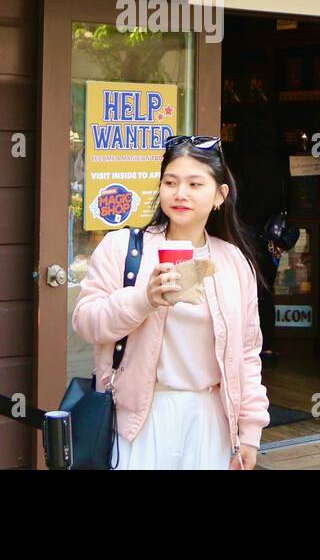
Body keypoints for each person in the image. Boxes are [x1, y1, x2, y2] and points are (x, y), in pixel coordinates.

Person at [72, 134, 269, 470]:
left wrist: (250, 432)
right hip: (139, 419)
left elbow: (248, 354)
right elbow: (86, 323)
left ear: (220, 195)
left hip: (210, 419)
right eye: (170, 182)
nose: (180, 194)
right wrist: (142, 300)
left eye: (195, 184)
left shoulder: (234, 262)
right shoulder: (123, 249)